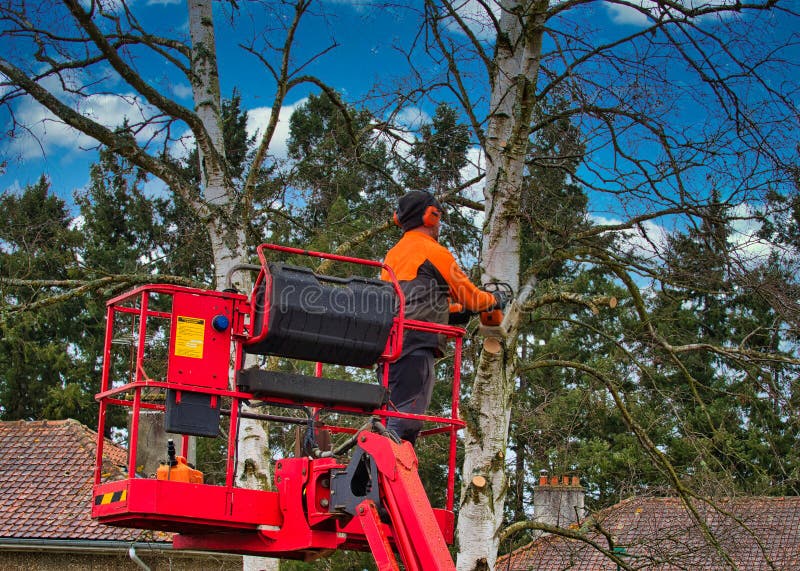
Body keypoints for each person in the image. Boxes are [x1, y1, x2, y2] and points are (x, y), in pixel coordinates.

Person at [380, 190, 509, 444]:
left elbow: (411, 301)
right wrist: (495, 299)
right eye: (438, 217)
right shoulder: (433, 251)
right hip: (416, 345)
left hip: (389, 345)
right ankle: (387, 460)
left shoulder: (393, 255)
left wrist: (455, 312)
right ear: (430, 216)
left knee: (390, 411)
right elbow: (473, 297)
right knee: (406, 418)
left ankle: (380, 459)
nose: (439, 224)